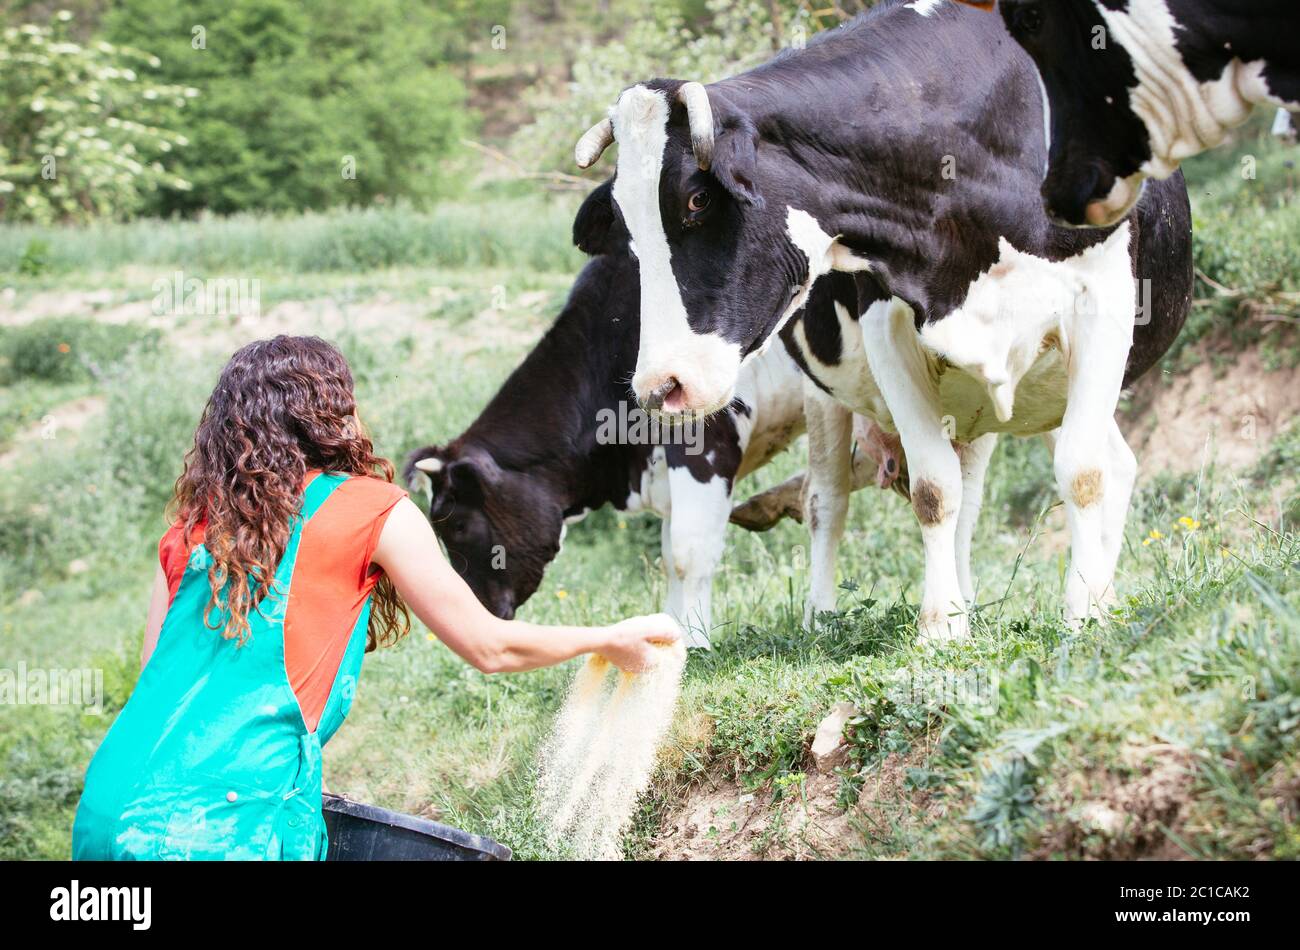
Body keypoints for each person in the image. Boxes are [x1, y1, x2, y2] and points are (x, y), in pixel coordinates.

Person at [71, 335, 679, 860]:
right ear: (331, 414)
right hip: (218, 829)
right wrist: (609, 640)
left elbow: (159, 685)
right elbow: (489, 645)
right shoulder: (370, 508)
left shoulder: (189, 530)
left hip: (109, 804)